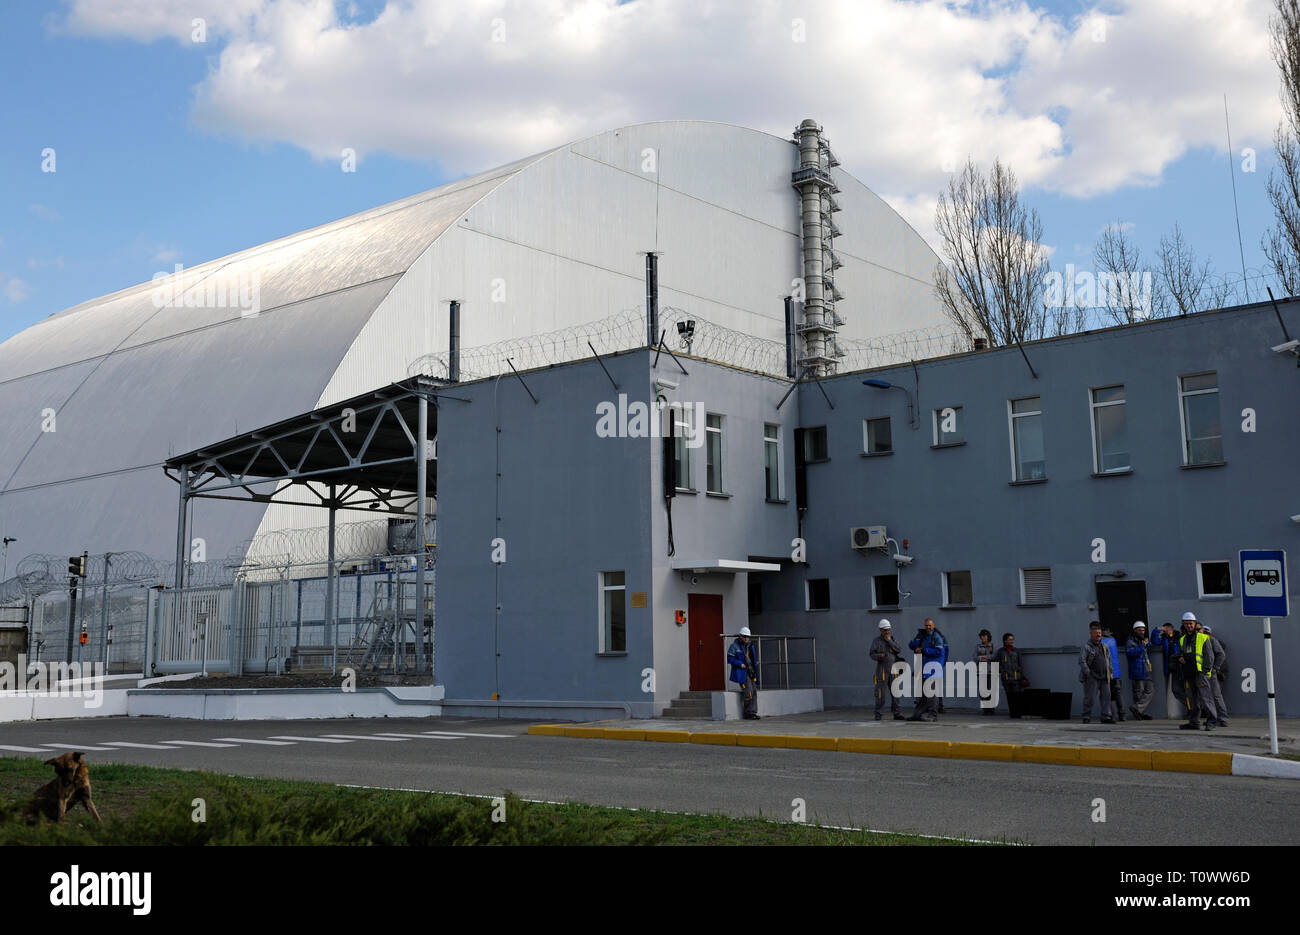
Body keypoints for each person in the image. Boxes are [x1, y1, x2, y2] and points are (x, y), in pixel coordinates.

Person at [1174, 612, 1218, 731]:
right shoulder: (1182, 639)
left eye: (1191, 623)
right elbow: (1181, 653)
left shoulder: (1203, 637)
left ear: (1195, 624)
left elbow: (1209, 656)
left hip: (1200, 673)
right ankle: (1194, 722)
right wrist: (1180, 658)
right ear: (1183, 624)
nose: (1189, 626)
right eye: (1187, 624)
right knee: (1192, 700)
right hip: (1189, 673)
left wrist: (1205, 671)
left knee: (1206, 698)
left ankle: (1212, 722)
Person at [907, 618, 945, 722]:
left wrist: (923, 650)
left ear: (933, 626)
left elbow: (938, 652)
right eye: (926, 625)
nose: (928, 627)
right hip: (925, 668)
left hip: (934, 668)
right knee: (923, 693)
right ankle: (917, 715)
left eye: (930, 625)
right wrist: (917, 642)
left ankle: (933, 715)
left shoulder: (937, 637)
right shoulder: (923, 637)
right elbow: (911, 645)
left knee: (932, 693)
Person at [869, 620, 905, 721]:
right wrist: (880, 656)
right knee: (880, 693)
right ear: (880, 630)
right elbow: (871, 654)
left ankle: (897, 713)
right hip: (882, 670)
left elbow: (898, 649)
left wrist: (889, 641)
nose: (887, 632)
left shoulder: (892, 639)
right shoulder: (876, 641)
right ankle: (878, 713)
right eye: (885, 630)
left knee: (895, 692)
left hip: (894, 670)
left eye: (888, 630)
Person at [1079, 623, 1114, 723]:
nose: (1098, 635)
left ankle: (1106, 717)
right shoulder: (1086, 647)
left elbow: (1109, 660)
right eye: (1096, 633)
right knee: (1090, 698)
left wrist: (1111, 672)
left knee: (1106, 698)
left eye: (1099, 633)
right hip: (1092, 677)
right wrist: (1088, 673)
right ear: (1091, 634)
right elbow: (1081, 660)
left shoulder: (1104, 646)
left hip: (1104, 677)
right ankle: (1086, 716)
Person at [727, 626, 761, 720]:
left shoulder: (750, 645)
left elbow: (751, 657)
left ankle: (753, 712)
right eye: (745, 636)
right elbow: (729, 658)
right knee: (748, 690)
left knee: (754, 690)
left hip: (750, 671)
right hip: (741, 672)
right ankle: (748, 713)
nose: (746, 638)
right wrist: (739, 663)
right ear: (740, 636)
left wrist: (755, 663)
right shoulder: (734, 646)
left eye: (748, 637)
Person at [1199, 624, 1229, 728]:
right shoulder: (1202, 640)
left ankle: (1222, 719)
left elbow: (1221, 654)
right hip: (1205, 673)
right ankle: (1217, 718)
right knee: (1211, 697)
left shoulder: (1211, 640)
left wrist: (1215, 668)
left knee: (1215, 696)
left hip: (1211, 673)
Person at [993, 632, 1028, 717]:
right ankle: (1012, 712)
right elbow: (996, 663)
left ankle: (1018, 713)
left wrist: (1023, 676)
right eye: (1010, 639)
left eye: (1012, 639)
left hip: (1016, 678)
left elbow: (1021, 664)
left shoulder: (1016, 651)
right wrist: (1003, 670)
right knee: (1009, 697)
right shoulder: (1001, 652)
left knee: (1017, 696)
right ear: (1005, 641)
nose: (1012, 641)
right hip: (1006, 678)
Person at [1125, 622, 1155, 720]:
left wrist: (1147, 644)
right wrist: (1142, 646)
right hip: (1137, 670)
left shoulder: (1143, 641)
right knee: (1139, 692)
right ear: (1135, 631)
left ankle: (1137, 709)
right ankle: (1139, 713)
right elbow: (1130, 654)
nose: (1142, 632)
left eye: (1143, 630)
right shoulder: (1130, 641)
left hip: (1147, 669)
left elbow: (1152, 645)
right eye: (1140, 630)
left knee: (1150, 690)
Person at [1151, 621, 1181, 718]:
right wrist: (1157, 629)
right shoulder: (1164, 639)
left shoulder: (1178, 637)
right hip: (1169, 667)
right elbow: (1154, 641)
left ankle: (1190, 709)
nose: (1165, 632)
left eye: (1166, 629)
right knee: (1173, 690)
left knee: (1180, 689)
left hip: (1179, 667)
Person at [1100, 626, 1125, 722]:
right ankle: (1122, 714)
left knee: (1109, 695)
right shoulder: (1113, 640)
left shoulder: (1101, 642)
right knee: (1118, 693)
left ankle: (1112, 715)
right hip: (1117, 673)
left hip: (1107, 672)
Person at [974, 629, 997, 715]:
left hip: (990, 671)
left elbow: (994, 656)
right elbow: (975, 657)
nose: (983, 637)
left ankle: (991, 709)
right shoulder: (978, 646)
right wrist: (984, 658)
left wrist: (983, 657)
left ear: (988, 637)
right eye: (982, 636)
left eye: (985, 636)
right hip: (981, 671)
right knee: (982, 691)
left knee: (990, 690)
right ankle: (985, 709)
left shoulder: (993, 646)